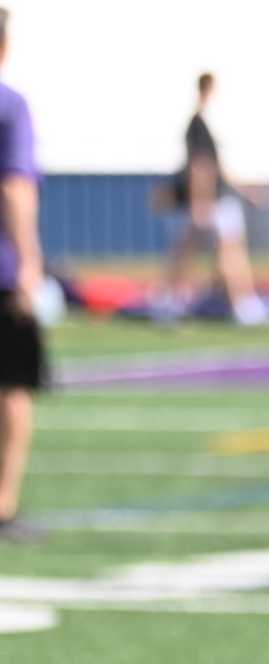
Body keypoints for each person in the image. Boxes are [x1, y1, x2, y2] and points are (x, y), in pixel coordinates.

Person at [163, 72, 266, 326]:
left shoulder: (208, 123)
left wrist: (246, 191)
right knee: (223, 253)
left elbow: (219, 167)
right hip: (211, 201)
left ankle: (237, 303)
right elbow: (201, 166)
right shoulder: (197, 123)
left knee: (211, 251)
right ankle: (239, 305)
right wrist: (200, 201)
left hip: (216, 199)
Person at [0, 6, 42, 543]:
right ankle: (3, 505)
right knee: (12, 386)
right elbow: (15, 186)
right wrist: (29, 259)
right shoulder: (10, 106)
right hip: (2, 273)